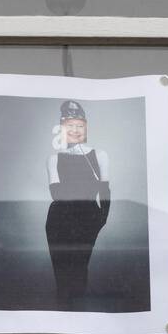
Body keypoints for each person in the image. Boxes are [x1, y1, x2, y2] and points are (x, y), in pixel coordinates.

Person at [45, 100, 111, 310]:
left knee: (80, 268)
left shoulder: (99, 155)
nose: (73, 130)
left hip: (87, 219)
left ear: (85, 127)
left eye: (78, 125)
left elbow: (105, 191)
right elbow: (57, 193)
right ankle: (63, 310)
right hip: (59, 220)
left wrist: (101, 219)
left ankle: (78, 313)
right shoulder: (53, 158)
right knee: (61, 271)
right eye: (68, 125)